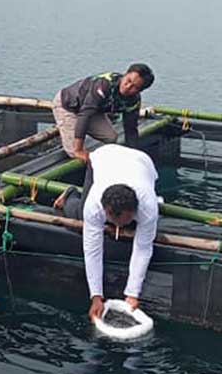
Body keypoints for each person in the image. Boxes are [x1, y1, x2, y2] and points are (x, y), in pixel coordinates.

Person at [52, 144, 159, 319]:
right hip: (103, 157)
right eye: (110, 218)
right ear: (105, 209)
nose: (114, 223)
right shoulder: (95, 205)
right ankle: (70, 194)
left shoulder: (148, 207)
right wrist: (96, 296)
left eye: (120, 220)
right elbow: (92, 248)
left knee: (132, 230)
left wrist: (132, 294)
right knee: (80, 217)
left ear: (133, 211)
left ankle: (125, 222)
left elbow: (143, 248)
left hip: (141, 161)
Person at [51, 64, 154, 163]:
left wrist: (133, 156)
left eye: (134, 87)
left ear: (140, 90)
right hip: (68, 105)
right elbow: (85, 116)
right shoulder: (104, 85)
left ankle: (75, 128)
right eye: (128, 81)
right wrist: (78, 150)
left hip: (94, 109)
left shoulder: (133, 101)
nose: (127, 87)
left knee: (111, 137)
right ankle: (69, 127)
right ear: (125, 74)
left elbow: (131, 129)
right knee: (74, 153)